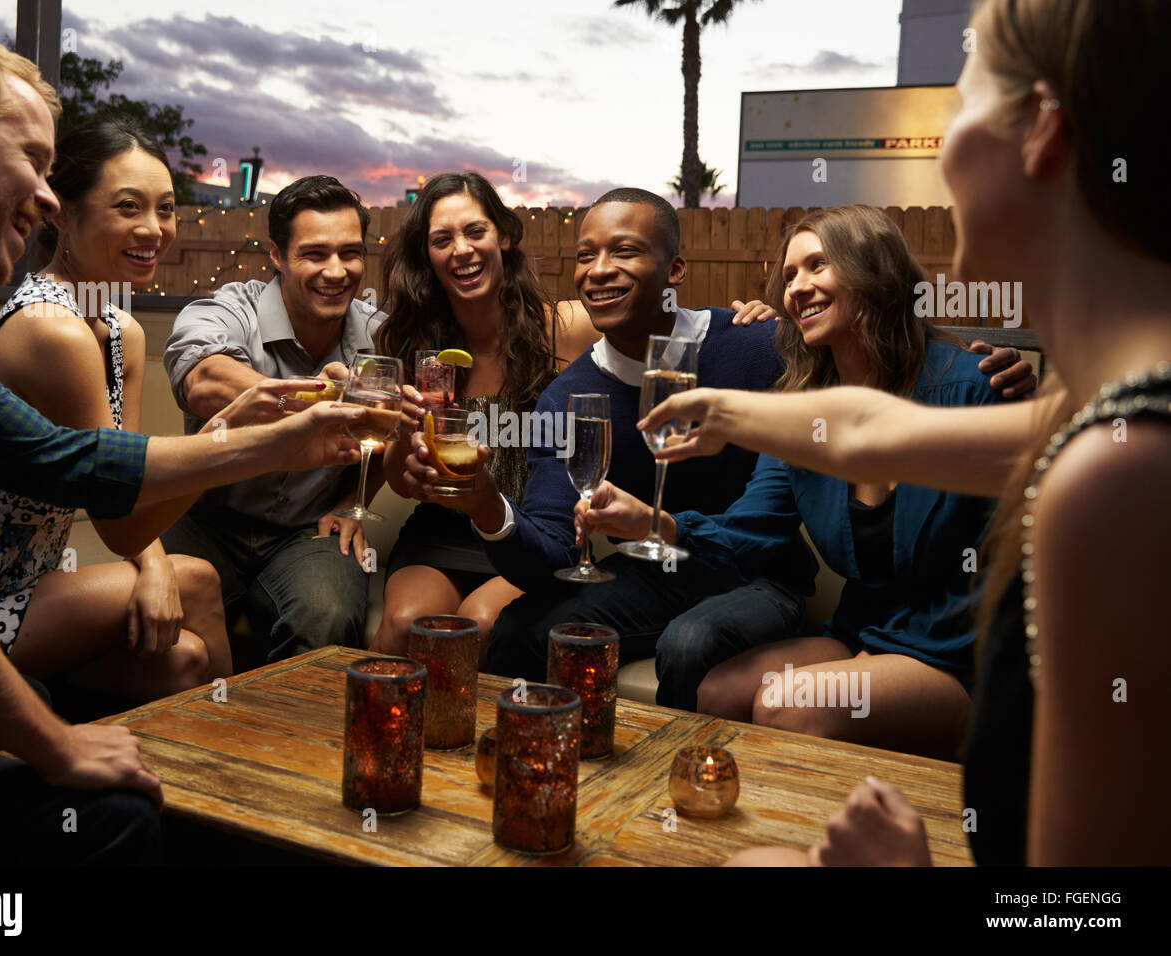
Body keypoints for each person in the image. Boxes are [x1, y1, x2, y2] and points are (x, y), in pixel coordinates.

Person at [641, 0, 1170, 865]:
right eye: (790, 274)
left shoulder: (1117, 470)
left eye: (961, 102)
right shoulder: (1096, 419)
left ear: (1043, 132)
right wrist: (714, 427)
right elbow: (864, 432)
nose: (937, 144)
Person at [0, 8, 390, 863]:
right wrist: (51, 743)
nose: (40, 196)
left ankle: (239, 801)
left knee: (175, 673)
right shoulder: (2, 314)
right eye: (34, 162)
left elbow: (65, 460)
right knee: (109, 811)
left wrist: (268, 438)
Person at [408, 188, 1031, 712]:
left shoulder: (761, 348)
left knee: (694, 643)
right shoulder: (573, 397)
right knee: (523, 627)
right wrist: (491, 504)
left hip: (776, 583)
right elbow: (549, 544)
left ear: (675, 270)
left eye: (625, 250)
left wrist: (996, 371)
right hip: (685, 567)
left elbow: (886, 354)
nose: (599, 269)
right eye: (789, 276)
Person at [581, 205, 1003, 759]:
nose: (797, 288)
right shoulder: (805, 416)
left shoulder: (969, 390)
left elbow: (1013, 568)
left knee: (789, 704)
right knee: (718, 692)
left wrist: (881, 669)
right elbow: (747, 534)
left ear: (874, 270)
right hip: (863, 634)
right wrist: (651, 521)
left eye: (817, 266)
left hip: (954, 653)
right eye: (788, 276)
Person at [0, 116, 232, 702]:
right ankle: (253, 753)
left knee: (184, 661)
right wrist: (229, 447)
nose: (154, 229)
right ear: (62, 212)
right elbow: (120, 519)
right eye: (128, 207)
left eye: (166, 209)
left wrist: (154, 564)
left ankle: (198, 777)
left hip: (33, 578)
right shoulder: (53, 331)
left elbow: (129, 480)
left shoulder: (121, 331)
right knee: (200, 582)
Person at [162, 175, 392, 667]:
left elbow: (391, 432)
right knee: (153, 622)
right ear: (276, 254)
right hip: (205, 517)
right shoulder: (229, 308)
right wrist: (319, 401)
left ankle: (295, 742)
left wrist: (354, 501)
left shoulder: (380, 336)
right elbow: (203, 382)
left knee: (329, 617)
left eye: (350, 253)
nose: (336, 271)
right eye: (314, 254)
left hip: (307, 531)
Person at [371, 171, 600, 657]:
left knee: (477, 622)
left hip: (538, 536)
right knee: (405, 623)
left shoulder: (568, 328)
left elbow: (665, 341)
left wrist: (748, 318)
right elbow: (398, 476)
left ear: (505, 236)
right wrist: (408, 457)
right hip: (443, 532)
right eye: (442, 240)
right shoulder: (419, 347)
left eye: (475, 231)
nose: (461, 250)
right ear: (426, 257)